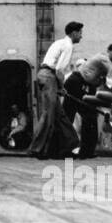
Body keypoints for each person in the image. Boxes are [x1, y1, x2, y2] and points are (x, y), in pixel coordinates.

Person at [62, 42, 112, 160]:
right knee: (72, 116)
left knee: (80, 117)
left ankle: (83, 151)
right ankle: (74, 151)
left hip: (83, 85)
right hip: (77, 83)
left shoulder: (105, 62)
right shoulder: (105, 59)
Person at [31, 21, 83, 158]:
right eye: (80, 33)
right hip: (50, 77)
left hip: (45, 75)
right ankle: (36, 149)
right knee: (48, 115)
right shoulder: (68, 45)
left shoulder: (59, 42)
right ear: (74, 33)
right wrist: (62, 86)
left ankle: (70, 146)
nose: (81, 36)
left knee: (61, 116)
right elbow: (59, 69)